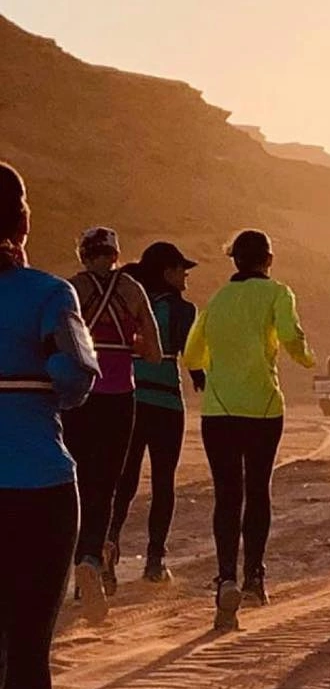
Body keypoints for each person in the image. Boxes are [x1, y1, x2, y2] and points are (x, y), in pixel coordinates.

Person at [0, 164, 99, 689]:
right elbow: (79, 375)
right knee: (28, 646)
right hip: (35, 482)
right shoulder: (48, 292)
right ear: (23, 224)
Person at [183, 229, 315, 631]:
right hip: (262, 406)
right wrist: (308, 360)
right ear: (268, 260)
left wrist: (201, 373)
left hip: (217, 411)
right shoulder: (278, 292)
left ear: (234, 260)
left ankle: (225, 578)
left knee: (227, 495)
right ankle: (254, 577)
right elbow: (291, 336)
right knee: (257, 490)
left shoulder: (218, 299)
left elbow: (192, 349)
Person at [66, 227, 161, 620]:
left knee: (77, 479)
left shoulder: (72, 289)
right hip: (121, 395)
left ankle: (75, 569)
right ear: (117, 254)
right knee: (107, 482)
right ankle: (92, 555)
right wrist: (131, 345)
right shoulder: (132, 290)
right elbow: (154, 352)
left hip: (79, 395)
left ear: (84, 254)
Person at [108, 242, 202, 585]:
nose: (186, 275)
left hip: (130, 397)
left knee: (125, 479)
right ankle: (155, 560)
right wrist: (198, 374)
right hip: (166, 402)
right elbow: (189, 351)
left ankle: (109, 544)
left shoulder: (129, 301)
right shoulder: (182, 309)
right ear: (167, 272)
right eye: (181, 269)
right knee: (163, 482)